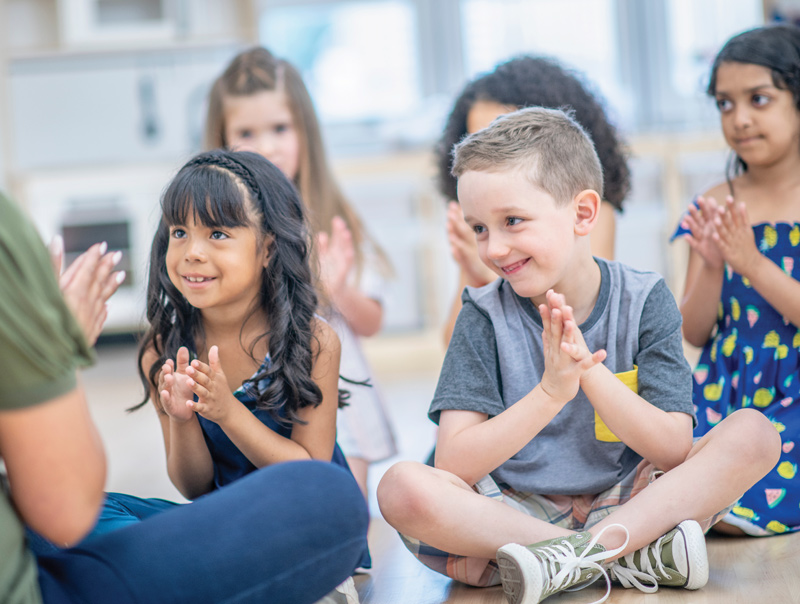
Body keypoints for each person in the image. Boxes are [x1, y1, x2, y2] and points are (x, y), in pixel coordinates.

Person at [376, 107, 780, 604]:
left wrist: (591, 374)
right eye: (479, 228)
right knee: (401, 487)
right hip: (512, 512)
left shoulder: (645, 298)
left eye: (512, 221)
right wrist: (549, 394)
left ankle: (577, 557)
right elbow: (453, 461)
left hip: (633, 499)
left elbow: (673, 448)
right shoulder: (480, 314)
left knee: (755, 435)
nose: (495, 248)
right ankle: (619, 557)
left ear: (583, 213)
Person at [0, 189, 369, 604]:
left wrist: (228, 413)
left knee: (327, 493)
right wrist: (182, 419)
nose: (192, 251)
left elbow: (310, 472)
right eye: (179, 231)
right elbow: (195, 487)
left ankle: (146, 573)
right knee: (43, 509)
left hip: (283, 520)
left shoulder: (311, 338)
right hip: (213, 524)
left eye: (216, 233)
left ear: (267, 248)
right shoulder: (165, 345)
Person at [204, 46, 396, 496]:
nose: (266, 146)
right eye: (246, 132)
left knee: (344, 514)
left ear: (305, 131)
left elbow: (372, 322)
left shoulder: (332, 213)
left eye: (280, 128)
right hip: (262, 392)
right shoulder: (221, 227)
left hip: (341, 394)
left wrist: (339, 290)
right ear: (221, 137)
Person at [673, 24, 800, 537]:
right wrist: (709, 264)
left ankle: (716, 513)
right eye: (726, 104)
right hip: (727, 387)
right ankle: (696, 510)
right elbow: (694, 331)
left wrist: (751, 263)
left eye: (759, 99)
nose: (740, 119)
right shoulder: (715, 199)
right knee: (666, 451)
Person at [437, 55, 631, 346]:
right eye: (477, 138)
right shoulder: (485, 229)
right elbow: (455, 345)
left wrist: (486, 277)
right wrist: (472, 271)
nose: (487, 150)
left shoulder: (591, 214)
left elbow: (583, 326)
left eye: (504, 134)